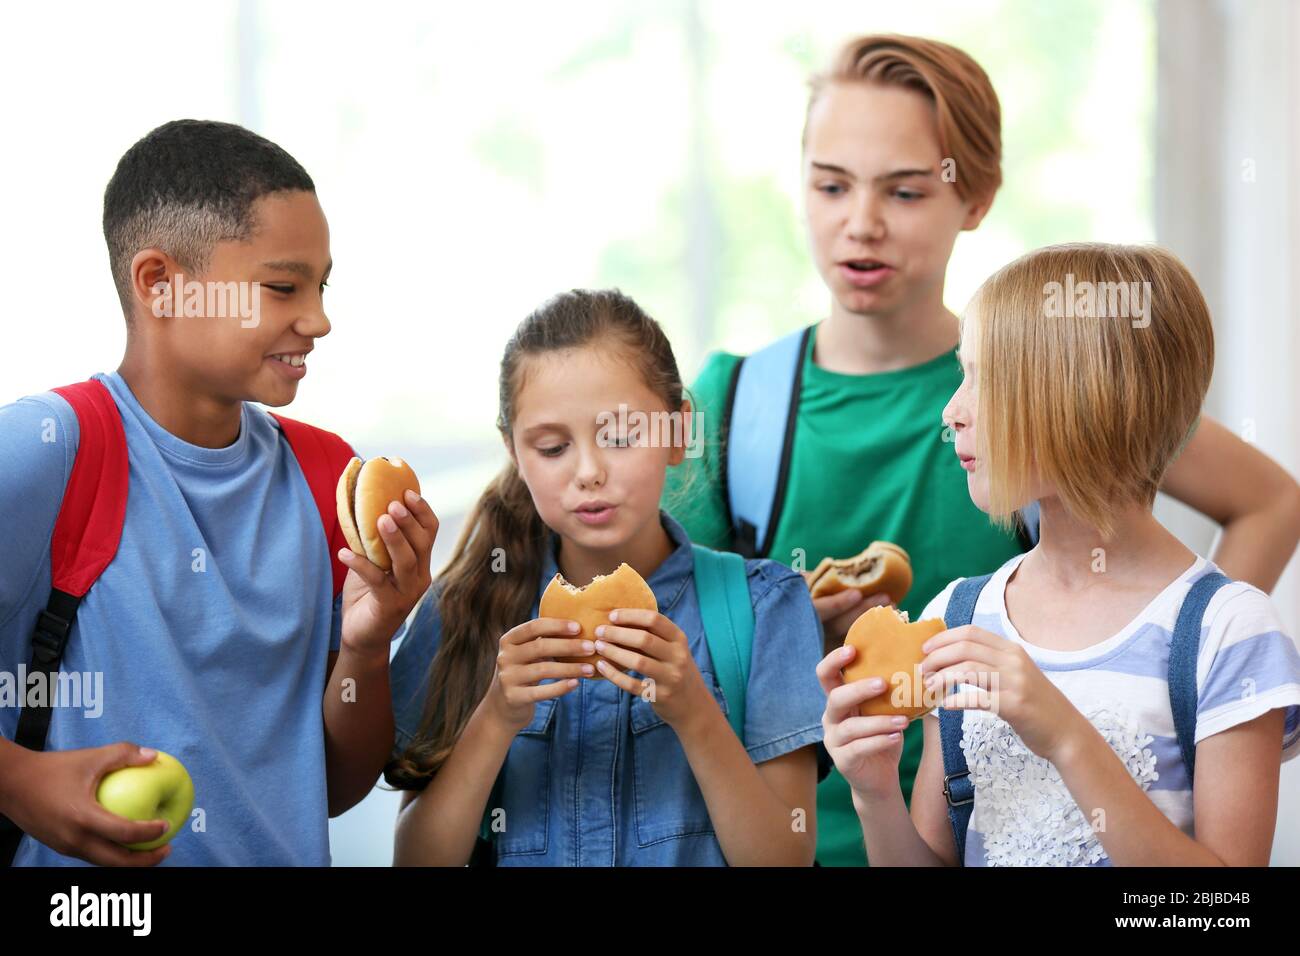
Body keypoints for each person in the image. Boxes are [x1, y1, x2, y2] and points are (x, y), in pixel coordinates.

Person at [662, 33, 1300, 866]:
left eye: (905, 190)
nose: (861, 222)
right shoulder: (732, 404)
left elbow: (1264, 501)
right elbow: (676, 638)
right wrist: (784, 638)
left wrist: (1173, 674)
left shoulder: (1054, 384)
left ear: (976, 196)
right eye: (829, 184)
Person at [0, 120, 435, 865]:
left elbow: (326, 787)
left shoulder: (330, 479)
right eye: (281, 286)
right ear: (159, 284)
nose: (319, 319)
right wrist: (20, 780)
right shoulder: (50, 451)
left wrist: (365, 648)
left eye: (321, 286)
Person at [821, 241, 1300, 866]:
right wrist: (873, 795)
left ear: (1087, 399)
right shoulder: (959, 615)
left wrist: (1068, 738)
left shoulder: (1228, 631)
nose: (952, 411)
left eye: (984, 379)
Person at [387, 289, 825, 865]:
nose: (589, 472)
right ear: (514, 451)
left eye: (620, 436)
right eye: (551, 447)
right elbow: (415, 859)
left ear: (676, 432)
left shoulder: (766, 606)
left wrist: (695, 713)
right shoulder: (465, 606)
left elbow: (784, 855)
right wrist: (495, 717)